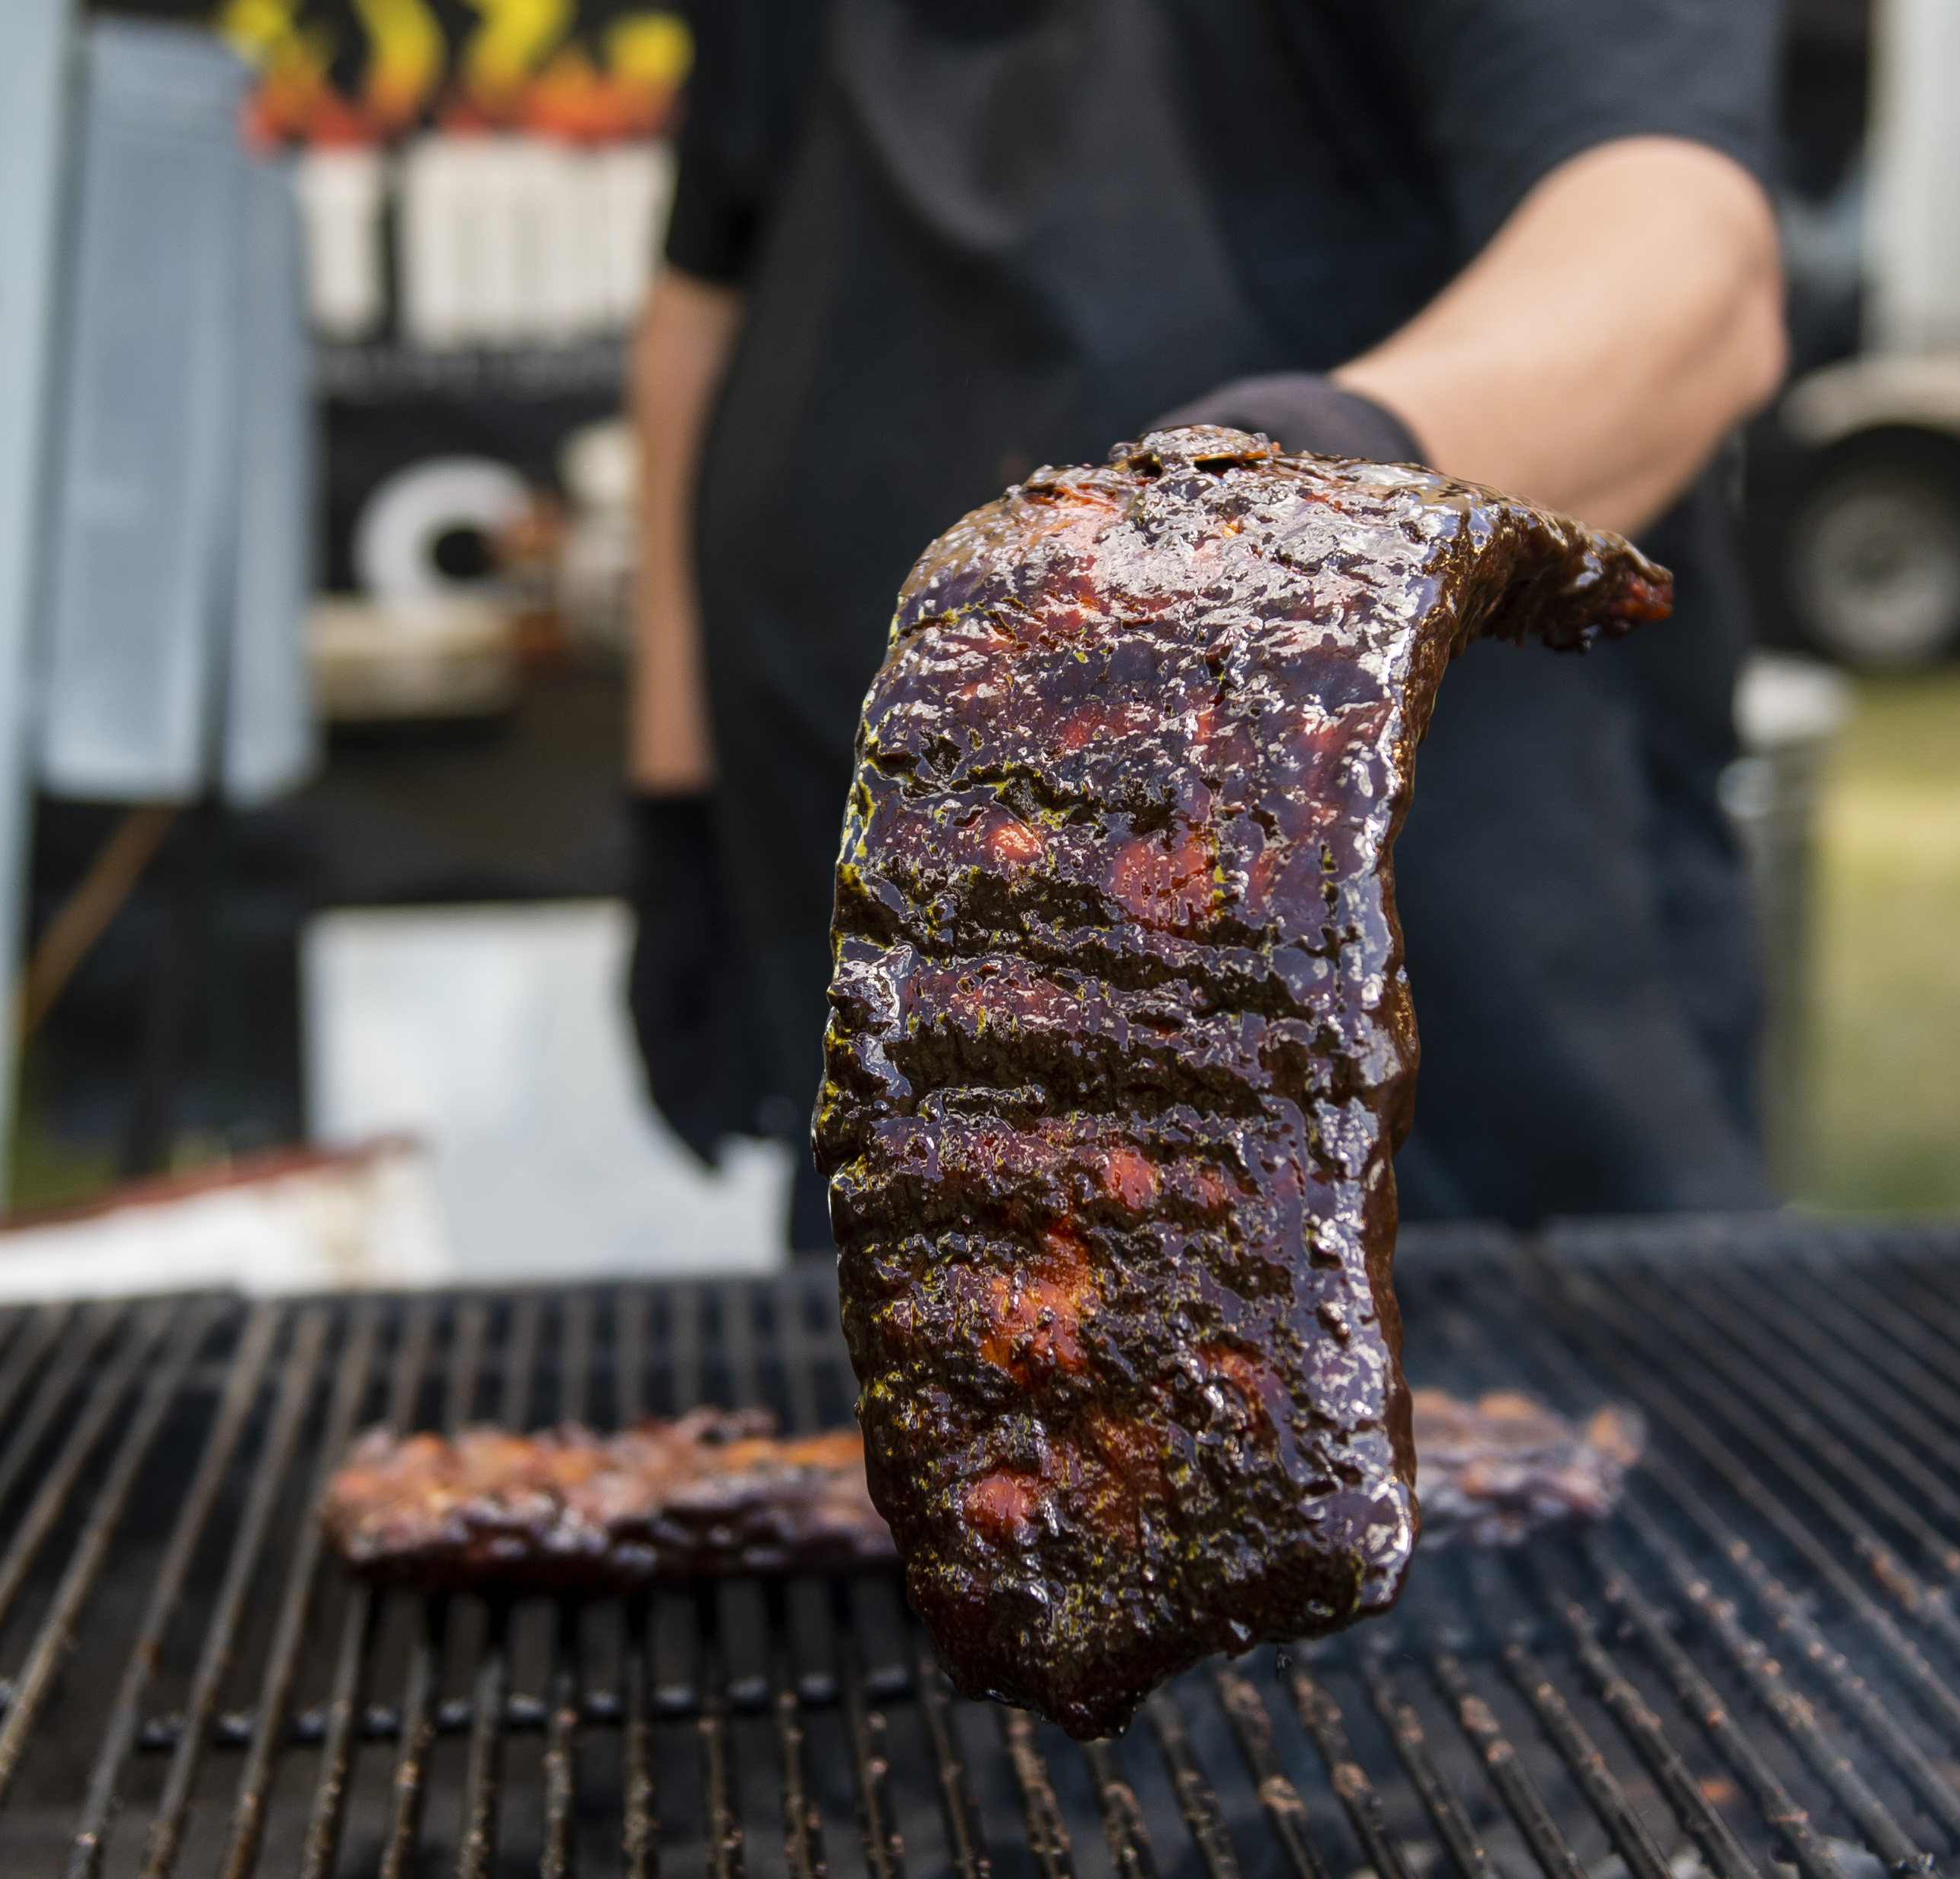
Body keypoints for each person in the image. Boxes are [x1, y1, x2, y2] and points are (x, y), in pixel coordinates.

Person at [624, 0, 1789, 1248]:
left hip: (1439, 992)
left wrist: (1317, 496)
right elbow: (705, 308)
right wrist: (680, 788)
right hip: (913, 975)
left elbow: (1685, 266)